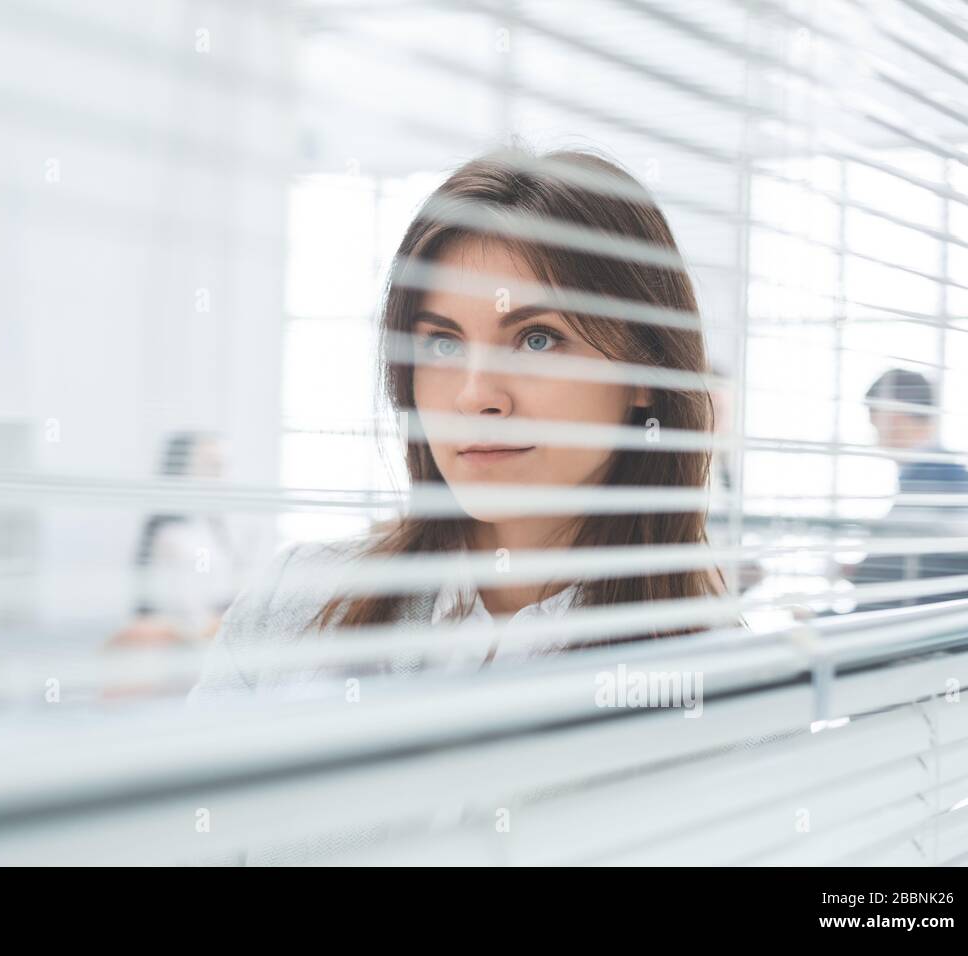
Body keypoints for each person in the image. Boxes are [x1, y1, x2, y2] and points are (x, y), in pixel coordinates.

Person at [189, 147, 733, 703]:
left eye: (537, 338)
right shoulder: (294, 605)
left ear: (644, 372)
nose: (476, 395)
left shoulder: (717, 686)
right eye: (443, 343)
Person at [840, 368, 968, 610]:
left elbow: (908, 582)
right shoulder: (967, 489)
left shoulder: (932, 488)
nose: (877, 439)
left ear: (894, 418)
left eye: (876, 426)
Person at [108, 431, 248, 648]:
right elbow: (188, 616)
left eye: (222, 466)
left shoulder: (214, 529)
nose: (220, 475)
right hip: (182, 648)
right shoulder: (170, 534)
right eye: (211, 466)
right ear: (183, 469)